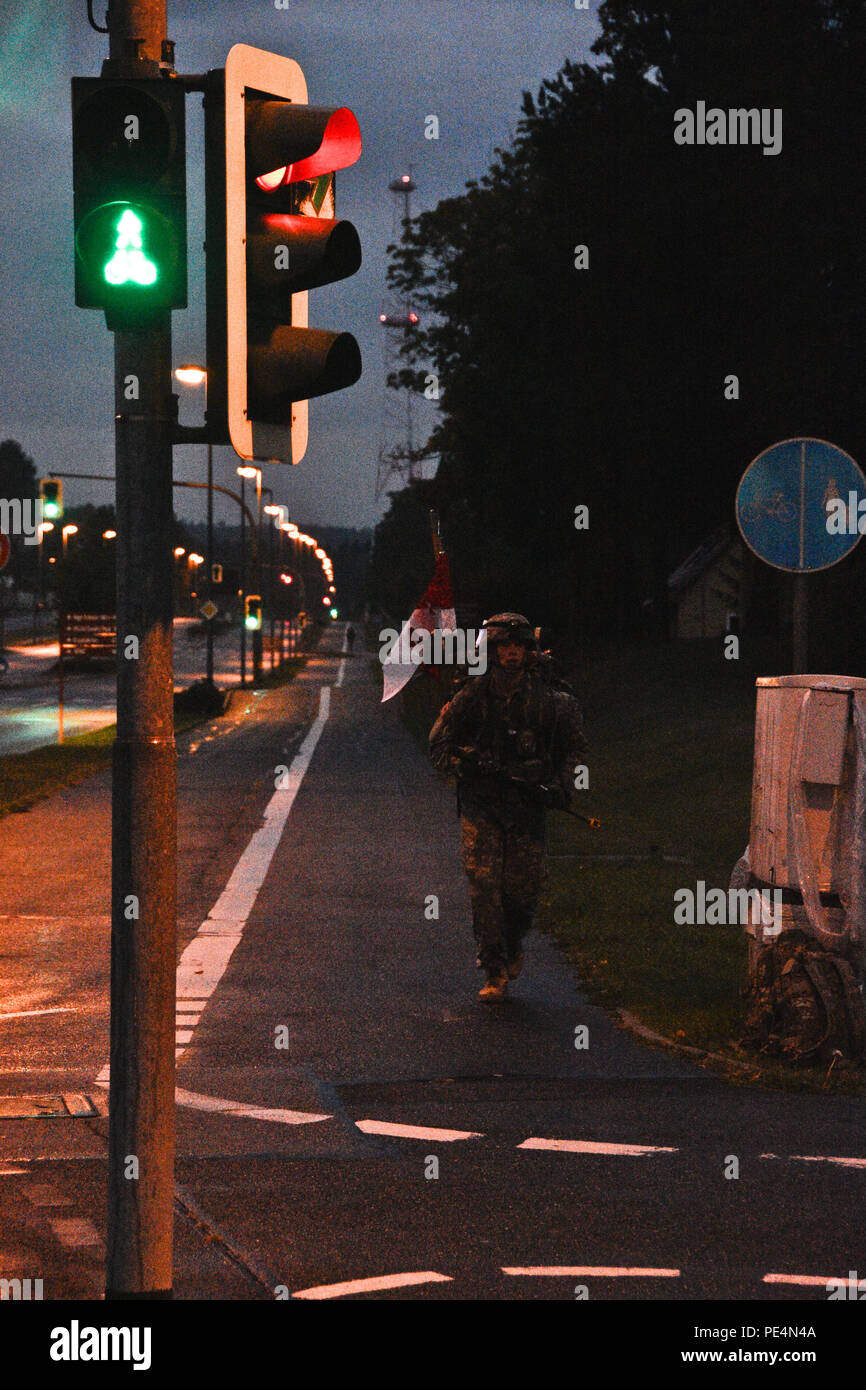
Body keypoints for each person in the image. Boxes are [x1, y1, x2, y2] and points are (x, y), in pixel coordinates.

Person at [429, 613, 587, 1000]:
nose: (512, 653)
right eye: (504, 646)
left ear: (529, 651)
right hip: (482, 806)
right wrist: (463, 769)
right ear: (492, 650)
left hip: (527, 807)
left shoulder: (551, 701)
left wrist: (563, 787)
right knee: (483, 885)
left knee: (521, 891)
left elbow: (575, 750)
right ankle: (493, 967)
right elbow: (438, 743)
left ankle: (512, 943)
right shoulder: (471, 695)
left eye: (518, 646)